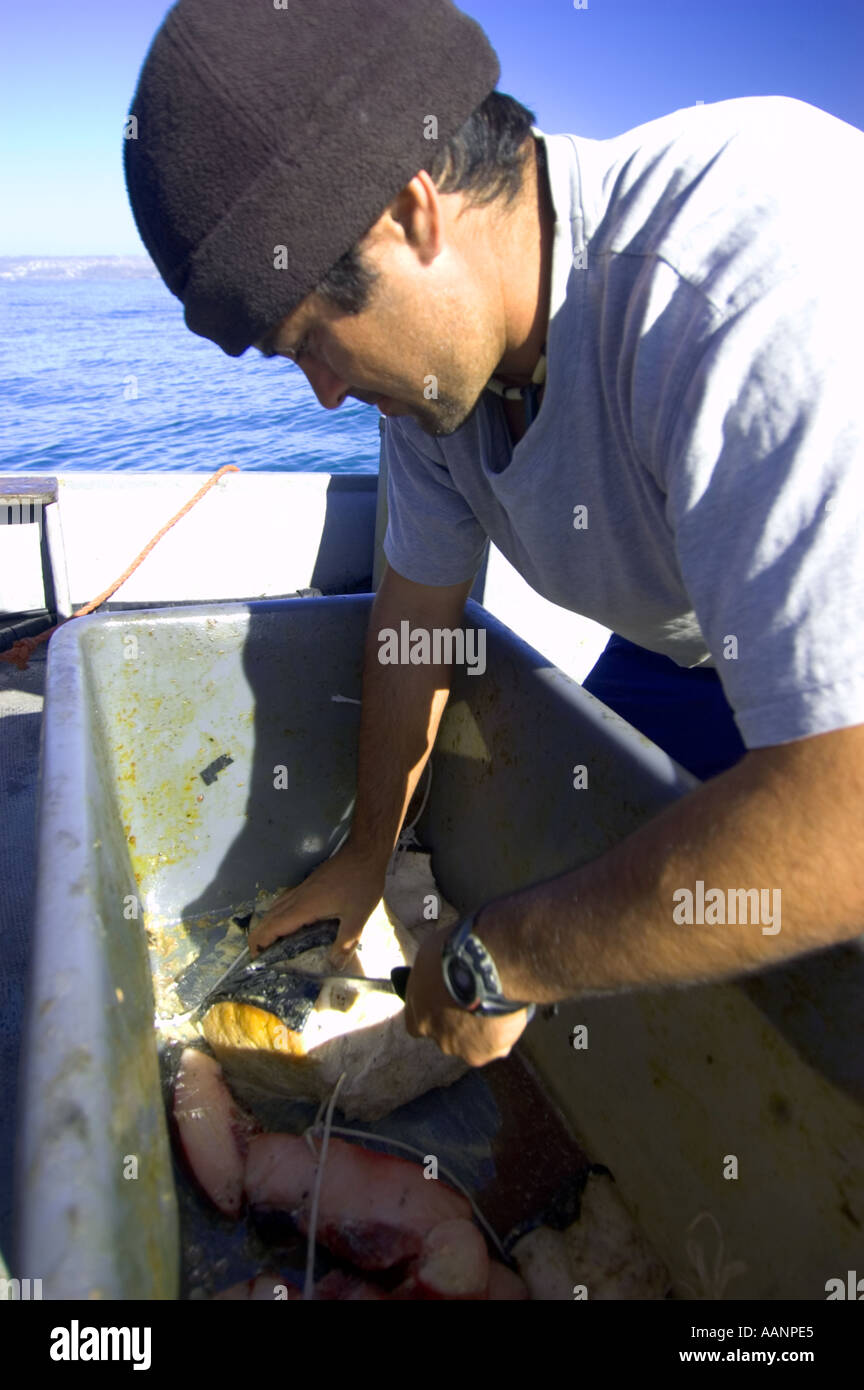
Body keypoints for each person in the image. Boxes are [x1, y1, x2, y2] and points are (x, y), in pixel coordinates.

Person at [125, 0, 864, 1067]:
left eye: (313, 344)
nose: (326, 394)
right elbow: (413, 621)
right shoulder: (439, 378)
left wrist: (501, 955)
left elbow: (843, 808)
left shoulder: (741, 281)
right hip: (692, 647)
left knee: (775, 1019)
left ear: (414, 212)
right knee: (594, 924)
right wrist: (366, 850)